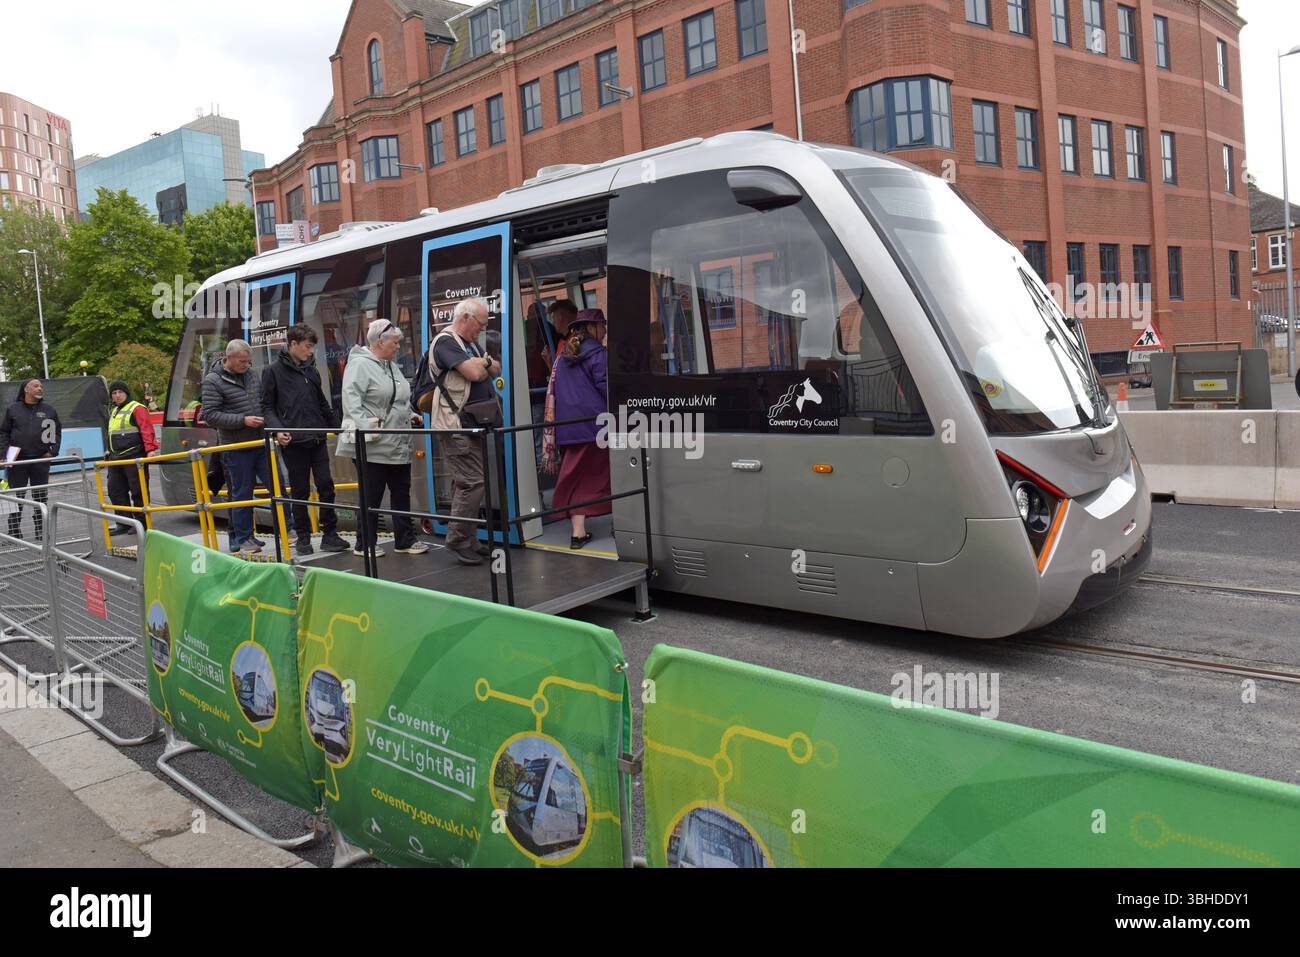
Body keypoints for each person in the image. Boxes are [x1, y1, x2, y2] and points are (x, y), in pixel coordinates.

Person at [336, 319, 428, 558]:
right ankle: (364, 544)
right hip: (373, 444)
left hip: (398, 440)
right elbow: (351, 403)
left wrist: (411, 415)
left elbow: (398, 397)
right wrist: (366, 430)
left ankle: (404, 540)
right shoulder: (359, 365)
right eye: (395, 342)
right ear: (380, 342)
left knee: (401, 492)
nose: (398, 347)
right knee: (372, 495)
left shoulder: (390, 365)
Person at [261, 326, 351, 555]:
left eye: (312, 347)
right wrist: (278, 430)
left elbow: (321, 402)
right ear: (293, 344)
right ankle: (303, 538)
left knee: (326, 486)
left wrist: (339, 428)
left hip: (316, 438)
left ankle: (329, 534)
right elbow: (267, 406)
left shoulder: (311, 371)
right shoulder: (273, 371)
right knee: (300, 490)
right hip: (294, 441)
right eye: (307, 346)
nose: (311, 352)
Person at [201, 340, 294, 555]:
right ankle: (244, 538)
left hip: (260, 442)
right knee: (242, 493)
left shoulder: (252, 375)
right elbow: (210, 415)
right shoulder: (212, 381)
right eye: (243, 361)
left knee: (278, 485)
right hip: (236, 446)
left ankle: (287, 529)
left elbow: (264, 404)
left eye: (249, 361)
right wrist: (243, 420)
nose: (246, 365)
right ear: (229, 357)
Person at [428, 297, 500, 566]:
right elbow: (473, 372)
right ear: (466, 318)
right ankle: (458, 540)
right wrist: (482, 364)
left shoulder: (469, 343)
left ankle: (470, 539)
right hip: (455, 425)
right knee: (473, 482)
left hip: (472, 424)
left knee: (470, 481)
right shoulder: (446, 342)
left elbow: (495, 368)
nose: (482, 329)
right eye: (480, 324)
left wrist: (483, 363)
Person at [548, 308, 611, 549]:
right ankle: (624, 526)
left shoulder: (564, 356)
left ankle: (578, 532)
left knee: (575, 479)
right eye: (602, 326)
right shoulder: (598, 354)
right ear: (592, 328)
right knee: (598, 479)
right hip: (596, 427)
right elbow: (607, 388)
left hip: (568, 428)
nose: (605, 331)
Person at [0, 378, 62, 541]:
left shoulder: (49, 410)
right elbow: (4, 433)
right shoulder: (13, 409)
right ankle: (14, 531)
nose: (40, 388)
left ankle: (41, 531)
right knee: (15, 497)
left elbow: (55, 432)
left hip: (40, 461)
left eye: (41, 386)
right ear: (26, 389)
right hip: (18, 461)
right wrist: (3, 455)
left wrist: (52, 451)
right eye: (35, 386)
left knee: (40, 496)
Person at [105, 381, 159, 535]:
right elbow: (112, 433)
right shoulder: (114, 410)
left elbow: (146, 429)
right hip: (117, 458)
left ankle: (142, 523)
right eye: (114, 393)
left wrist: (150, 450)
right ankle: (124, 522)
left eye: (120, 392)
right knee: (115, 490)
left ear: (126, 393)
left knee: (138, 491)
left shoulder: (137, 408)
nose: (117, 395)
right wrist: (109, 451)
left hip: (134, 455)